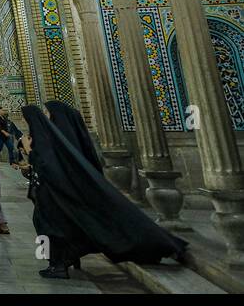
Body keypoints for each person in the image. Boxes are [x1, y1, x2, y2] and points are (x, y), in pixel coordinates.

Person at [22, 101, 187, 279]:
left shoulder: (55, 139)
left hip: (59, 197)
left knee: (53, 228)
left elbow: (47, 165)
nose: (46, 117)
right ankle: (61, 261)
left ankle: (59, 264)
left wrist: (28, 150)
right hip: (61, 196)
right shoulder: (57, 138)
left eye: (48, 113)